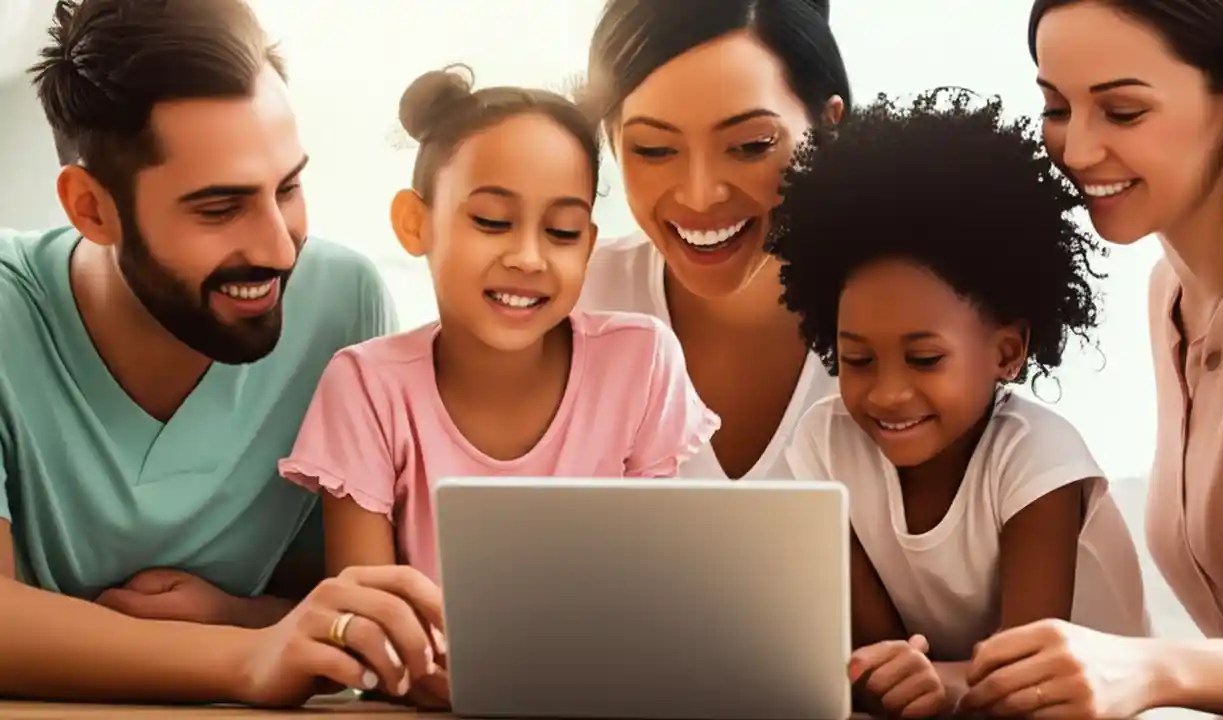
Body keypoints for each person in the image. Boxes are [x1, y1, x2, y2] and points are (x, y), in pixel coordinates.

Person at [0, 0, 447, 706]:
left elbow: (340, 599)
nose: (278, 248)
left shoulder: (344, 304)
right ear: (91, 208)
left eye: (289, 187)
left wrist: (243, 620)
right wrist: (242, 657)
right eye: (218, 208)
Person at [277, 66, 720, 703]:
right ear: (415, 223)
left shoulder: (640, 361)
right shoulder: (367, 385)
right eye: (491, 221)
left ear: (588, 246)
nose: (530, 257)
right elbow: (373, 623)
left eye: (562, 232)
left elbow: (656, 592)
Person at [772, 88, 1150, 718]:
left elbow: (1025, 671)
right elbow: (875, 656)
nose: (888, 393)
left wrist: (927, 681)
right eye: (857, 359)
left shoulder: (1038, 459)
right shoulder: (824, 442)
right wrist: (891, 677)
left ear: (1006, 353)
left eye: (925, 359)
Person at [960, 1, 1223, 717]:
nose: (1074, 151)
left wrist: (1157, 670)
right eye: (1056, 107)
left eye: (1123, 112)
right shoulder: (1168, 291)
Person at [579, 0, 850, 480]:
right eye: (655, 150)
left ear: (828, 127)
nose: (701, 197)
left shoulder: (912, 317)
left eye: (750, 146)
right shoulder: (569, 302)